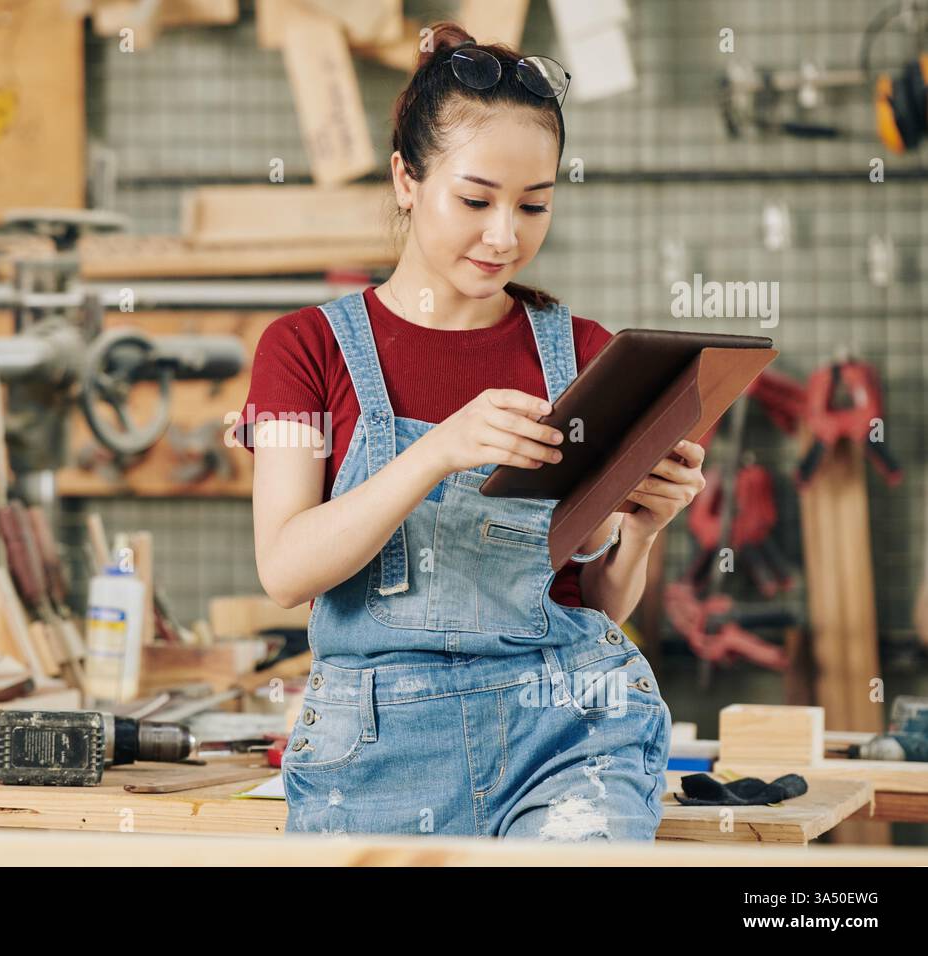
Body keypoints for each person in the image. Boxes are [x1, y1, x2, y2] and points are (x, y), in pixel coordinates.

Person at [232, 23, 705, 840]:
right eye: (477, 199)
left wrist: (642, 532)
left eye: (535, 204)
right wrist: (439, 449)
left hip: (568, 733)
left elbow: (590, 598)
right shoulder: (303, 348)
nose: (504, 235)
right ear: (406, 180)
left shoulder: (586, 356)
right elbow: (285, 568)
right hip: (378, 751)